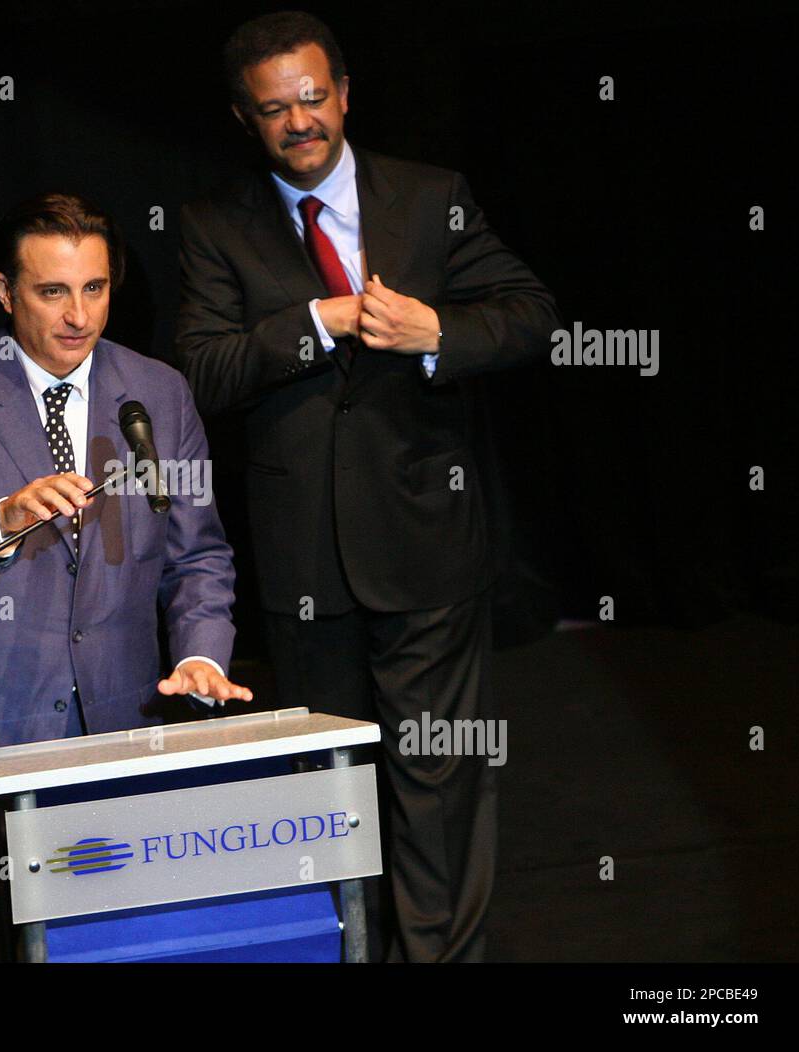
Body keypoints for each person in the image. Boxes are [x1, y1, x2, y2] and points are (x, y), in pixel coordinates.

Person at [175, 11, 560, 962]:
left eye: (313, 98)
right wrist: (315, 318)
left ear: (343, 93)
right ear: (245, 118)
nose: (300, 122)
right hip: (307, 567)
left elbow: (531, 315)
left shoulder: (432, 199)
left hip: (428, 546)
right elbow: (204, 371)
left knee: (435, 783)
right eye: (276, 110)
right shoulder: (214, 226)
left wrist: (439, 336)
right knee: (336, 793)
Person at [0, 192, 251, 962]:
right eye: (52, 292)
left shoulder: (160, 394)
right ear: (6, 292)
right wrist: (0, 520)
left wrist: (201, 654)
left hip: (118, 744)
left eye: (96, 289)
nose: (78, 315)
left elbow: (198, 554)